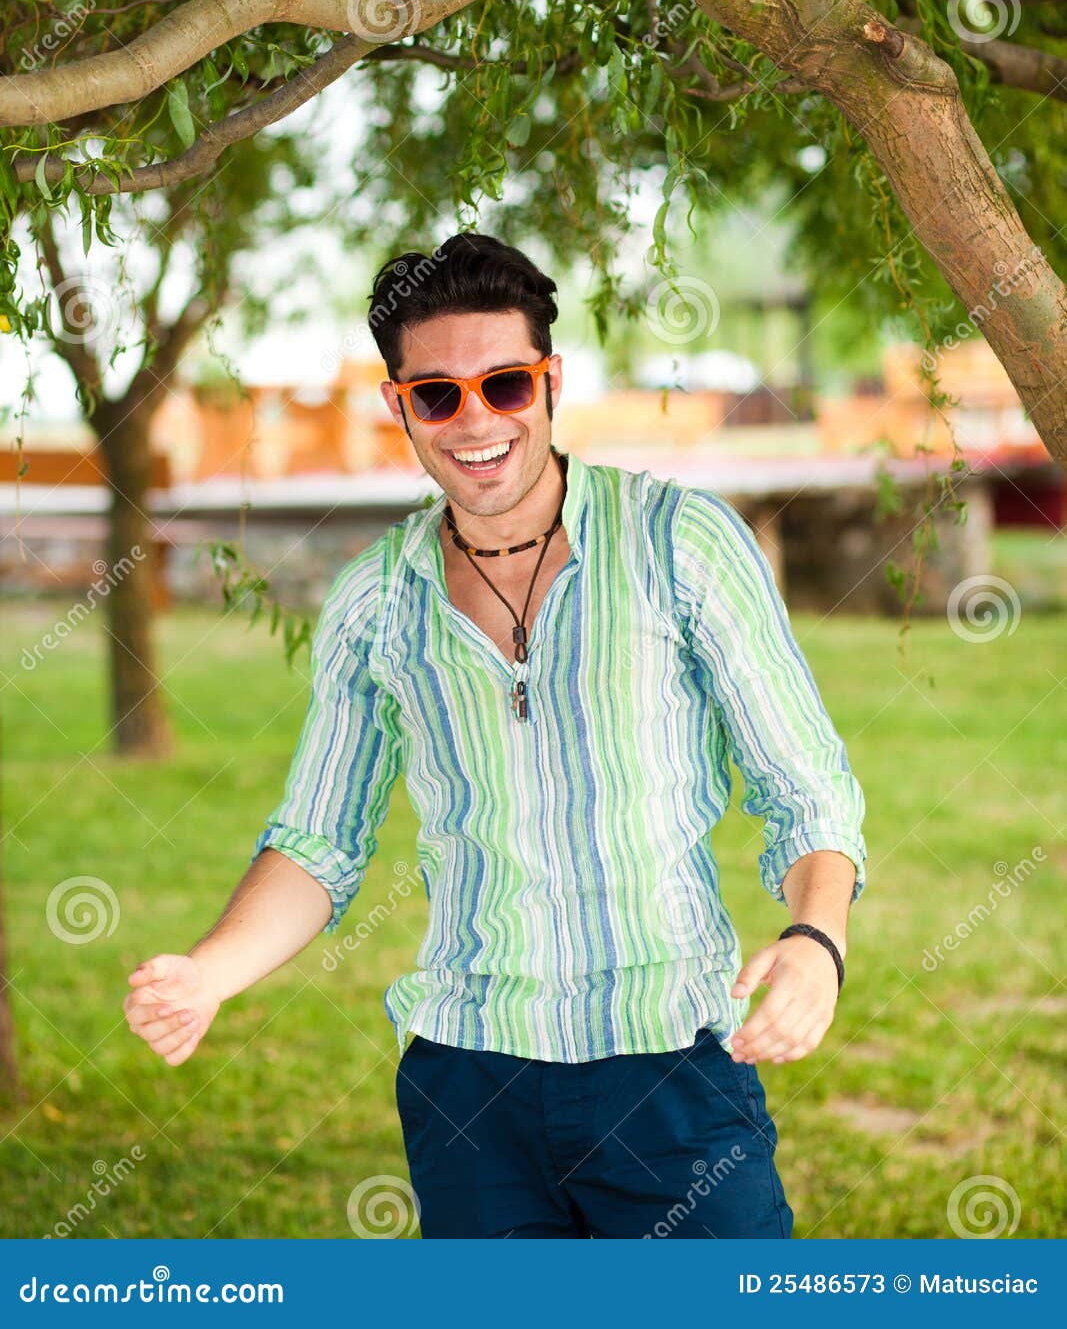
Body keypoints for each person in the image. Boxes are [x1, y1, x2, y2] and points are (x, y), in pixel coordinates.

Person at [124, 232, 866, 1239]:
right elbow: (318, 841)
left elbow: (805, 787)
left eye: (503, 384)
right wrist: (208, 972)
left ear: (548, 382)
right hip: (466, 1092)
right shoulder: (374, 599)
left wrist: (814, 940)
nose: (474, 419)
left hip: (673, 1076)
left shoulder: (677, 542)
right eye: (436, 394)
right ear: (400, 409)